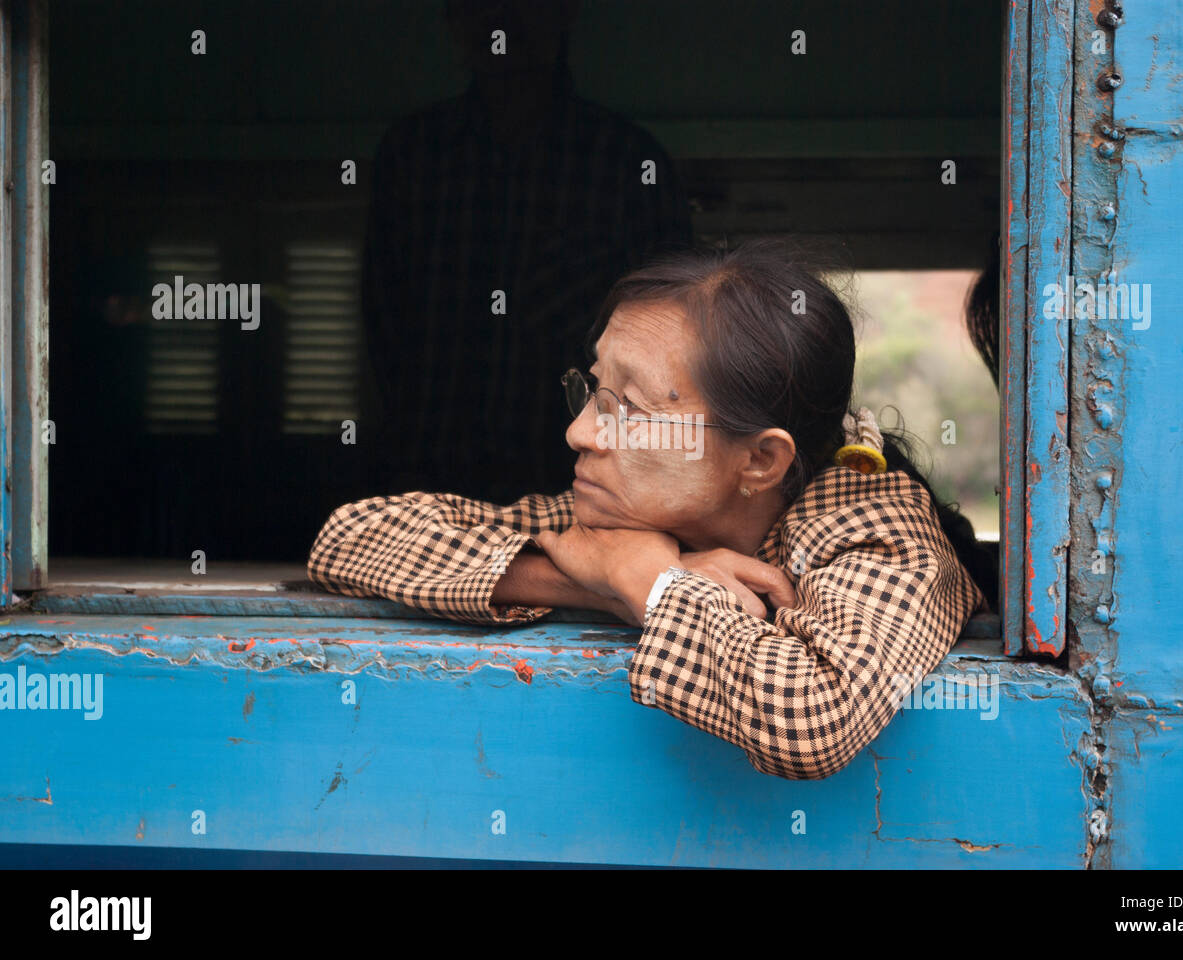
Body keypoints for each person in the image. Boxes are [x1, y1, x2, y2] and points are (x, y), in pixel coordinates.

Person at [309, 237, 989, 781]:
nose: (581, 433)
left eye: (627, 410)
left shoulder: (878, 533)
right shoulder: (633, 522)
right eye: (592, 390)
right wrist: (617, 575)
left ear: (759, 461)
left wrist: (651, 585)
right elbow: (349, 538)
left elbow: (812, 715)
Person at [360, 0, 692, 502]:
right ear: (453, 17)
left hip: (583, 483)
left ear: (564, 12)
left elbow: (676, 343)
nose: (500, 18)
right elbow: (384, 320)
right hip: (425, 475)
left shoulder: (626, 164)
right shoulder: (414, 155)